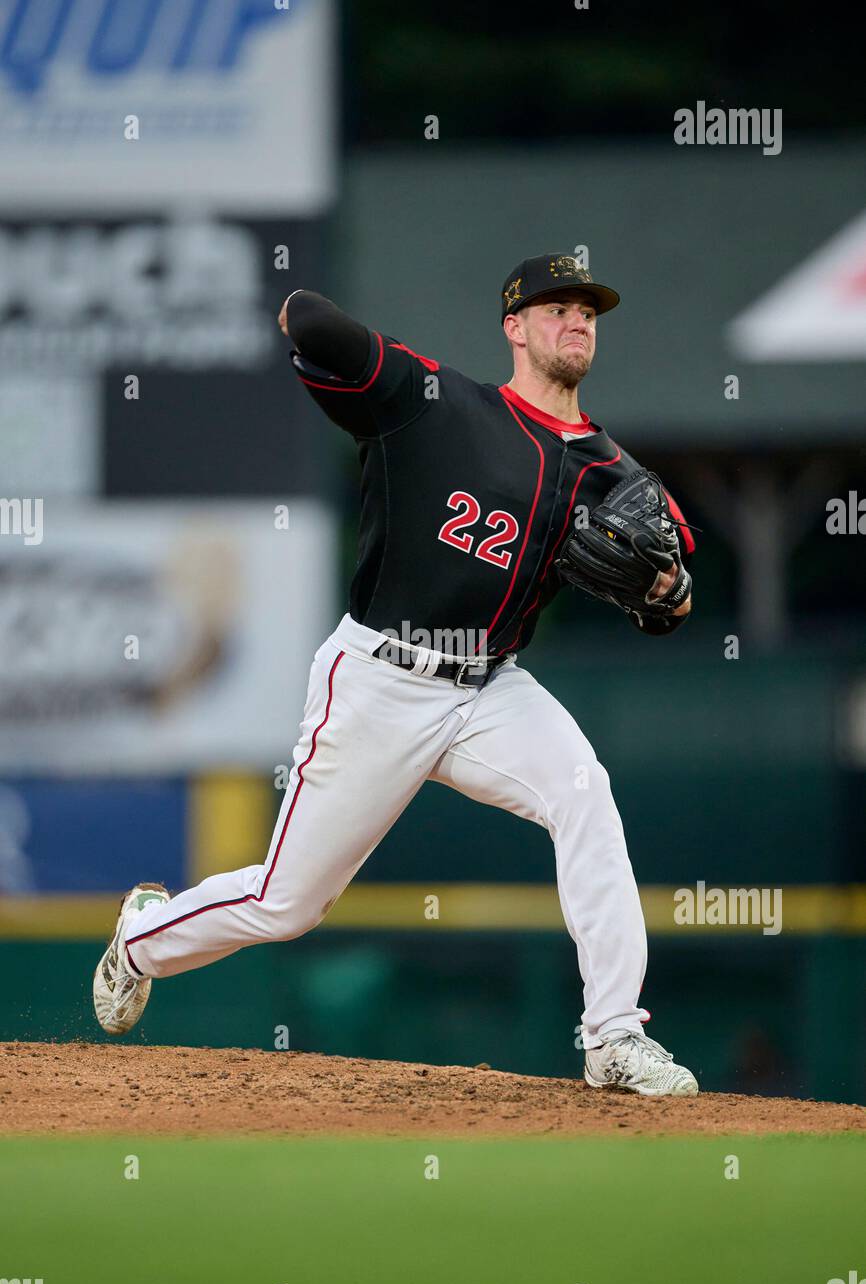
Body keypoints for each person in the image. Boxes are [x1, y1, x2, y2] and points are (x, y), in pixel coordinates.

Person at [93, 252, 698, 1097]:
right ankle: (142, 937)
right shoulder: (440, 405)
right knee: (288, 903)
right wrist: (320, 324)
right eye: (555, 307)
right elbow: (307, 317)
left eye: (588, 311)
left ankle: (613, 1038)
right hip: (380, 676)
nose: (576, 321)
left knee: (584, 794)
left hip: (492, 687)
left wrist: (667, 587)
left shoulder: (617, 475)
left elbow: (672, 599)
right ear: (514, 329)